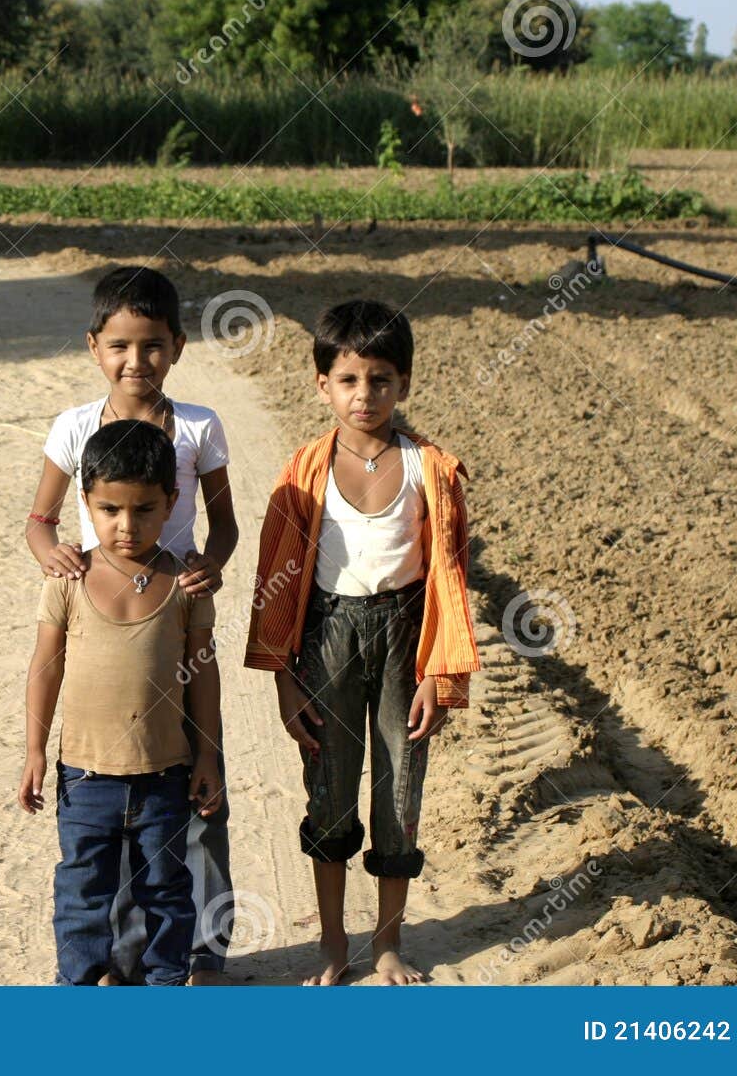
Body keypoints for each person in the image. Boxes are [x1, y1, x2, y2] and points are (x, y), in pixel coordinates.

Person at [244, 298, 481, 985]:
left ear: (404, 382)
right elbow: (275, 580)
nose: (364, 394)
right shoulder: (302, 473)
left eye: (380, 379)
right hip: (328, 638)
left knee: (399, 796)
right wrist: (285, 678)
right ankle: (330, 942)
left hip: (405, 637)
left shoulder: (429, 469)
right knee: (329, 790)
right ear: (322, 384)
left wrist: (441, 672)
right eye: (348, 379)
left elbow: (448, 575)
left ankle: (386, 943)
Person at [25, 266, 239, 984]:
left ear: (176, 346)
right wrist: (52, 555)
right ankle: (118, 962)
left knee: (193, 809)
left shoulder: (199, 427)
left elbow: (226, 523)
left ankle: (200, 951)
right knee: (107, 832)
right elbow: (39, 518)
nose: (135, 360)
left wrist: (208, 561)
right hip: (102, 600)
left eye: (152, 345)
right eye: (119, 344)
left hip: (174, 609)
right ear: (94, 346)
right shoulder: (75, 427)